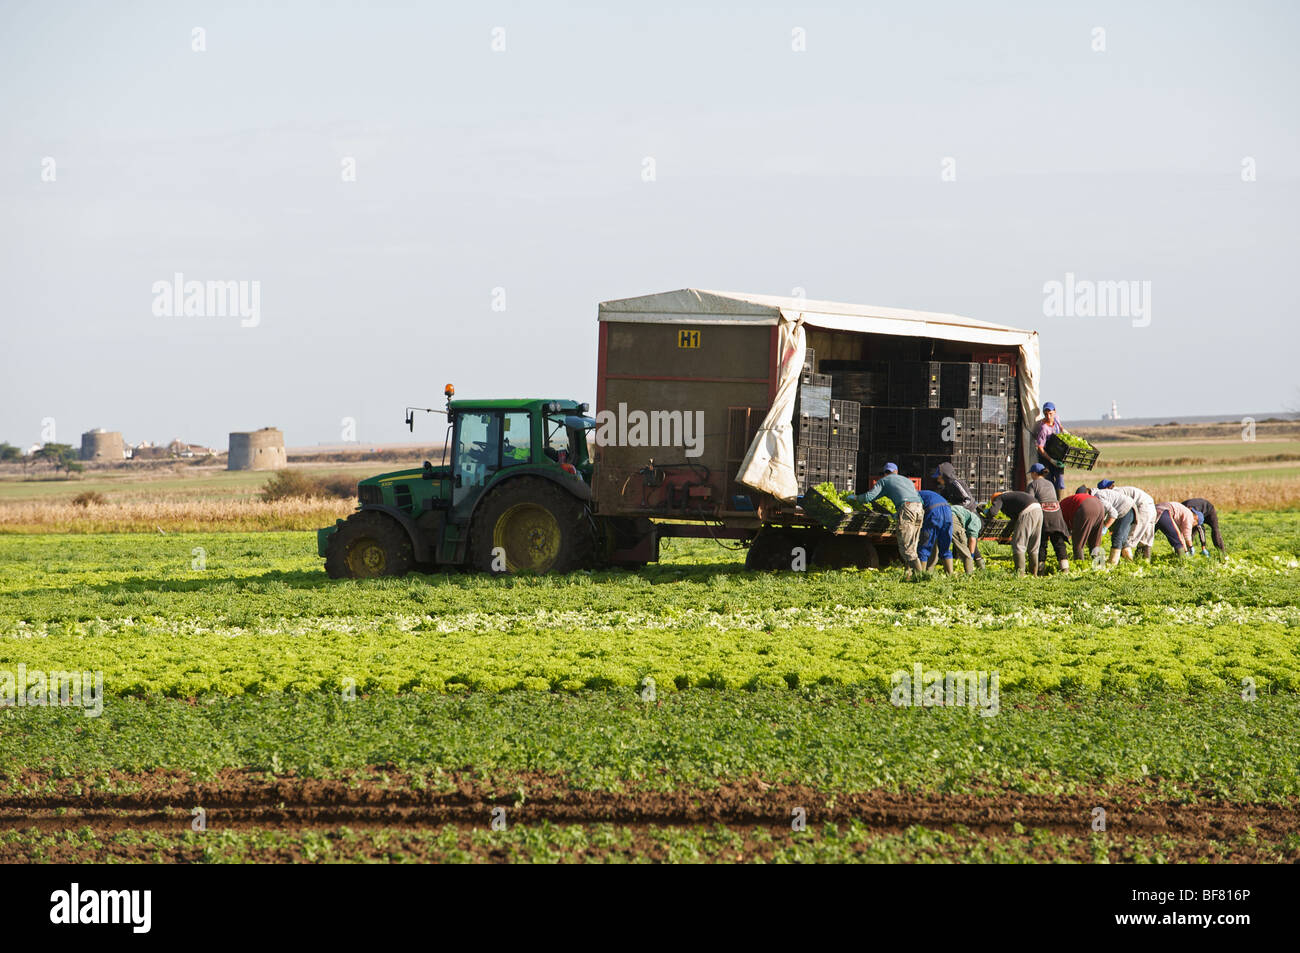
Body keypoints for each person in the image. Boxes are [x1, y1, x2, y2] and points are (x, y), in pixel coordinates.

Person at [854, 463, 925, 578]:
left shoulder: (885, 480)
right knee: (913, 544)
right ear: (896, 471)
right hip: (919, 508)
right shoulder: (906, 480)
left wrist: (856, 498)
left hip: (906, 508)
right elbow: (918, 497)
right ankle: (909, 575)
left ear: (885, 473)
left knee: (906, 546)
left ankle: (920, 576)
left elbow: (868, 497)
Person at [982, 490, 1042, 576]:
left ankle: (1020, 575)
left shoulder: (999, 497)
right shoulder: (1012, 498)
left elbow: (993, 512)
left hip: (1027, 511)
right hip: (1038, 509)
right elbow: (1014, 521)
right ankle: (1034, 574)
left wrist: (986, 512)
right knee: (1033, 545)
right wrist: (1004, 535)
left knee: (1018, 545)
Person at [1098, 479, 1157, 559]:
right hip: (1151, 507)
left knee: (1127, 537)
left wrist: (1108, 526)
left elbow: (1118, 511)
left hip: (1142, 507)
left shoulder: (1115, 493)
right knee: (1145, 540)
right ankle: (1145, 564)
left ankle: (1124, 561)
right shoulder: (1121, 490)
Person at [1027, 463, 1070, 573]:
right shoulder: (1050, 483)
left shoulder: (1033, 484)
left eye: (1031, 473)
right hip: (1056, 514)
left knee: (1041, 543)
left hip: (1044, 515)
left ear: (1034, 473)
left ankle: (1040, 570)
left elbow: (1030, 501)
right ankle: (1065, 569)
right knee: (1059, 542)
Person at [1090, 483, 1136, 566]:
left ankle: (1112, 564)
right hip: (1124, 509)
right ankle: (1130, 561)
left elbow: (1113, 513)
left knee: (1117, 537)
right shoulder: (1097, 495)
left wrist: (1105, 528)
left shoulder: (1098, 497)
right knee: (1122, 538)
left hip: (1126, 509)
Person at [1060, 485, 1106, 564]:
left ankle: (1080, 565)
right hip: (1100, 505)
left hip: (1085, 506)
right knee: (1095, 542)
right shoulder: (1074, 499)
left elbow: (1063, 525)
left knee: (1078, 543)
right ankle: (1100, 565)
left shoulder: (1062, 505)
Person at [916, 489, 957, 575]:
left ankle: (921, 575)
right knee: (945, 546)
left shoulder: (914, 496)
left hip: (933, 512)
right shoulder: (926, 493)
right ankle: (950, 574)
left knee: (925, 545)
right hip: (947, 511)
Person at [1033, 402, 1069, 500]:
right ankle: (1050, 502)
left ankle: (1060, 502)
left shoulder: (1056, 418)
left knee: (1060, 481)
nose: (1048, 416)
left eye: (1050, 413)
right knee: (1049, 481)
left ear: (1054, 412)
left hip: (1057, 454)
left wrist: (1063, 430)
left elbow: (1059, 425)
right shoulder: (1043, 428)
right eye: (1046, 414)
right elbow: (1040, 448)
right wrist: (1051, 460)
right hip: (1046, 457)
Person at [951, 502, 986, 570]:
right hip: (953, 515)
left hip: (947, 510)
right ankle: (969, 572)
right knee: (961, 541)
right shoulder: (977, 522)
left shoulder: (970, 517)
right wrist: (971, 556)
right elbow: (972, 539)